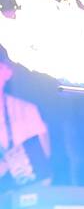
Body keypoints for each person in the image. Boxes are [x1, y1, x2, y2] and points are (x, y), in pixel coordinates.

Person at [0, 46, 52, 189]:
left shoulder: (26, 110)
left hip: (20, 196)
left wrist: (7, 164)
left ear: (7, 72)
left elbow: (42, 162)